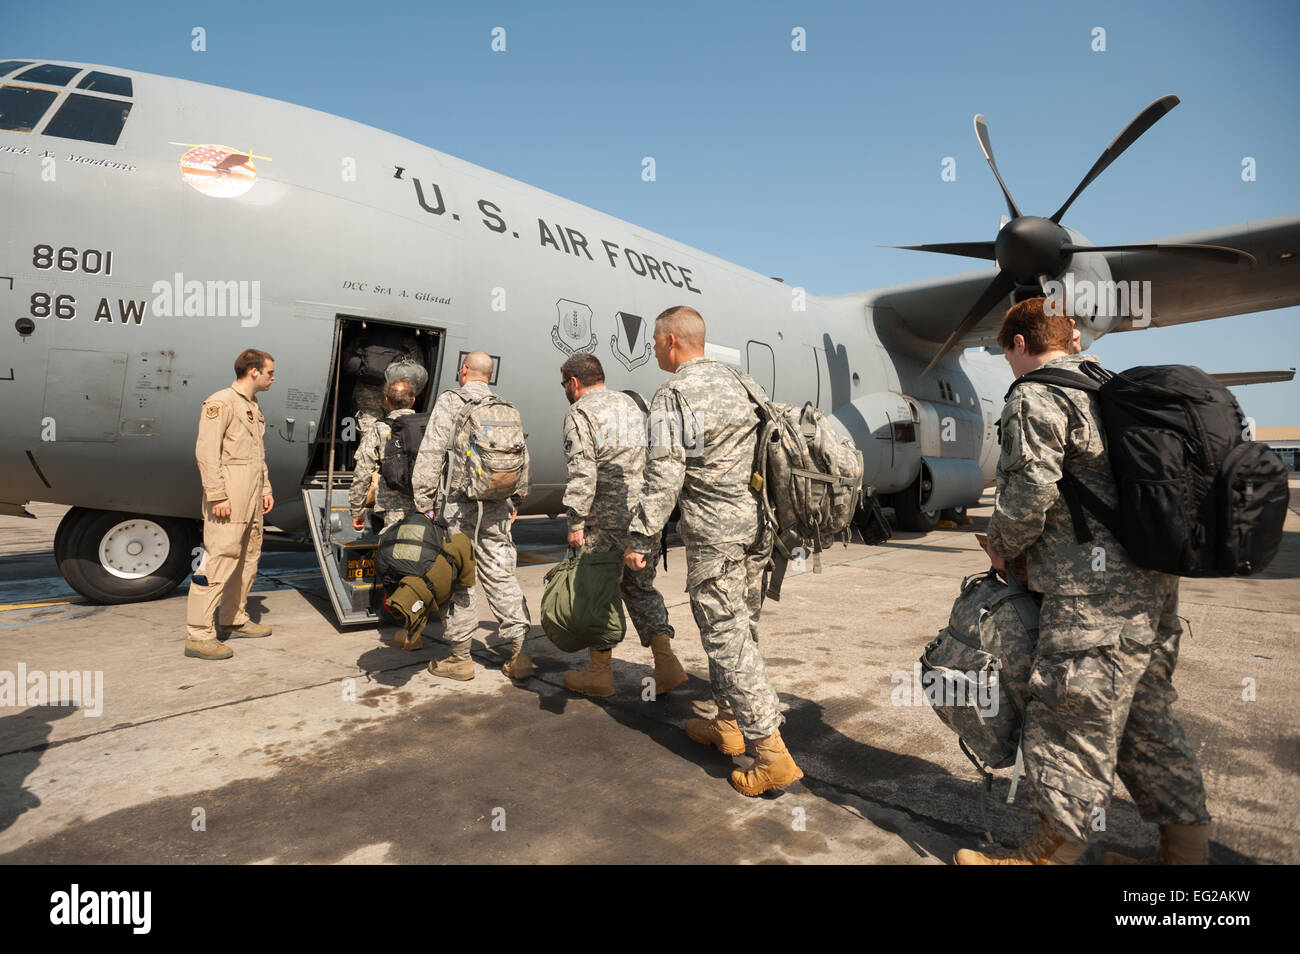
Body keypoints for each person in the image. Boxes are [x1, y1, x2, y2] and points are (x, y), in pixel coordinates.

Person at [956, 297, 1210, 865]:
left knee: (1069, 718)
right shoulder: (1111, 385)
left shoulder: (1036, 393)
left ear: (1019, 343)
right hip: (1155, 585)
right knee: (1148, 718)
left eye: (1008, 356)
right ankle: (1187, 859)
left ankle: (1049, 856)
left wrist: (1000, 547)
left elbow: (1027, 496)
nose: (1011, 368)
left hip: (1090, 598)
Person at [623, 306, 801, 796]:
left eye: (656, 341)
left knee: (727, 638)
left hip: (715, 537)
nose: (654, 349)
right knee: (742, 629)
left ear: (671, 342)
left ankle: (771, 753)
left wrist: (640, 539)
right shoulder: (744, 383)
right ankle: (728, 723)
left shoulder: (673, 394)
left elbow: (663, 475)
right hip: (758, 529)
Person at [558, 352, 687, 698]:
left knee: (598, 591)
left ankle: (600, 673)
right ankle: (667, 665)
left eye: (564, 385)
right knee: (640, 588)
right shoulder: (637, 402)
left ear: (573, 383)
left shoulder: (580, 412)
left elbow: (583, 473)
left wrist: (575, 522)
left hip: (604, 525)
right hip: (645, 519)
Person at [411, 351, 533, 681]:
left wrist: (423, 500)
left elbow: (432, 452)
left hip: (458, 507)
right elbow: (522, 453)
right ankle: (520, 652)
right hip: (496, 506)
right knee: (501, 573)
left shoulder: (451, 401)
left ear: (464, 371)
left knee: (460, 577)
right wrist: (517, 497)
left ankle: (460, 658)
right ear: (489, 376)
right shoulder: (505, 406)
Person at [184, 349, 276, 660]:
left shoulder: (251, 405)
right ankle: (199, 634)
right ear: (253, 371)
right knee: (220, 558)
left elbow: (257, 453)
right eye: (269, 372)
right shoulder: (220, 402)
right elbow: (206, 452)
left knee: (247, 557)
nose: (272, 377)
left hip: (250, 495)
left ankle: (233, 619)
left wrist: (265, 488)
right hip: (230, 494)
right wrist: (217, 494)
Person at [348, 378, 418, 534]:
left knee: (393, 551)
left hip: (392, 504)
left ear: (386, 400)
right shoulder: (427, 426)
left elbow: (363, 471)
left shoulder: (379, 428)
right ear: (413, 400)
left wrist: (357, 510)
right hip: (423, 504)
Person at [347, 326, 424, 438]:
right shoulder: (409, 342)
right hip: (397, 396)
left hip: (367, 395)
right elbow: (417, 372)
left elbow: (349, 364)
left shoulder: (365, 336)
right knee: (395, 436)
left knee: (369, 436)